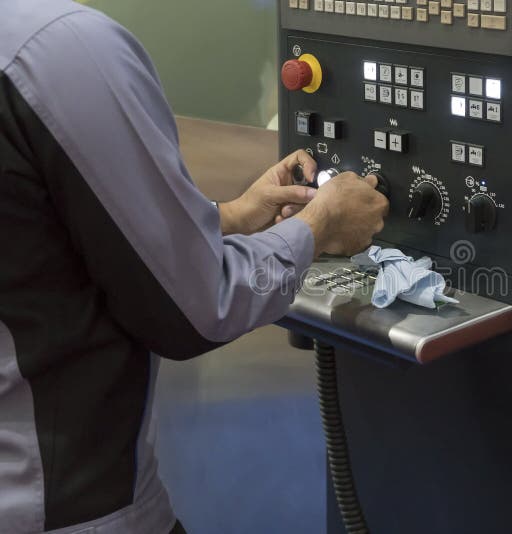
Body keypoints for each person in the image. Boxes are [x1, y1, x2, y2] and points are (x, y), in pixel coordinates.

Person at [0, 1, 389, 533]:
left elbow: (37, 239)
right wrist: (319, 226)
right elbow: (200, 306)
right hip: (68, 511)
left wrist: (225, 218)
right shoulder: (59, 47)